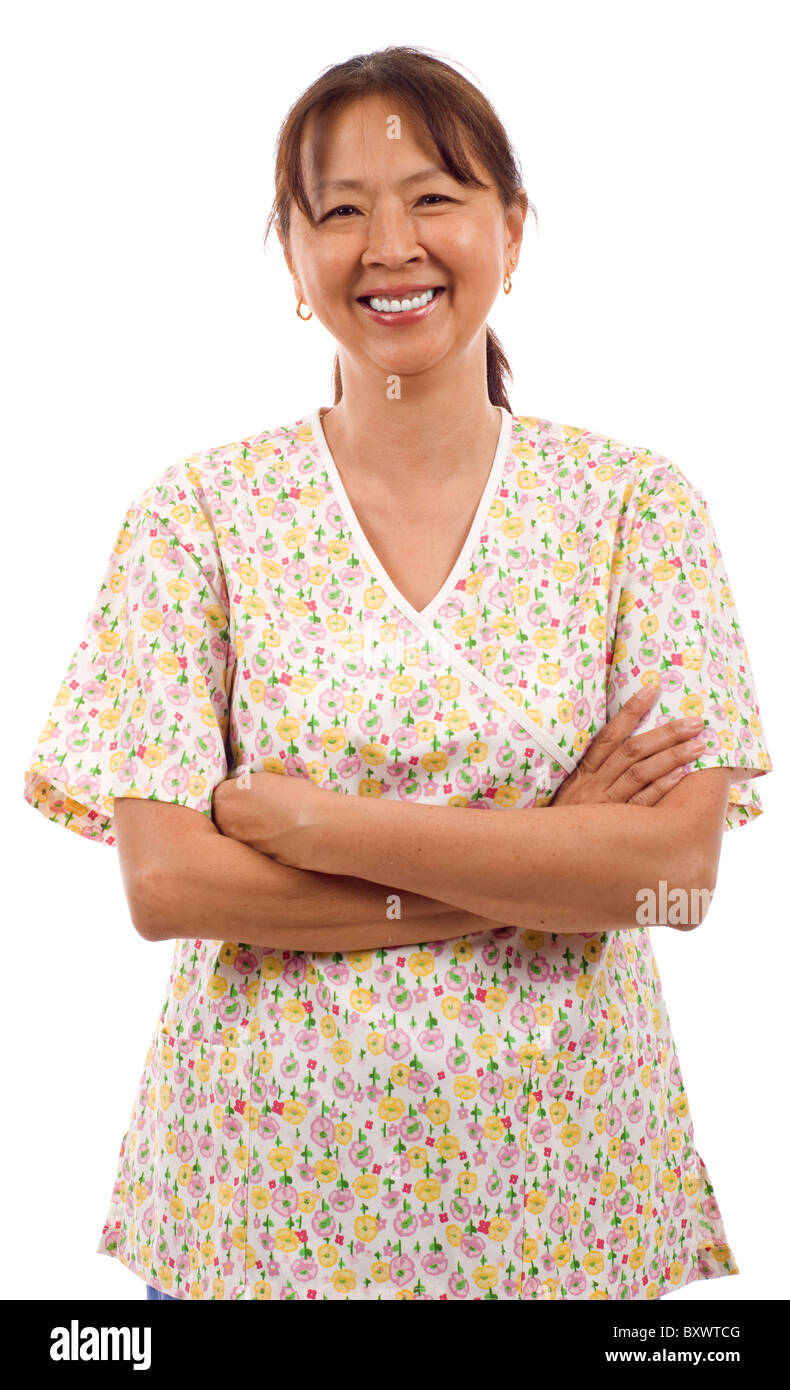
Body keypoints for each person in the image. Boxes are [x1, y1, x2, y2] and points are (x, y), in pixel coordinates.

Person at [23, 45, 772, 1303]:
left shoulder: (635, 508)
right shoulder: (198, 516)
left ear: (511, 231)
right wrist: (550, 858)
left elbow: (670, 884)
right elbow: (165, 885)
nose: (390, 244)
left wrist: (317, 826)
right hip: (255, 1223)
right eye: (340, 209)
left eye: (433, 196)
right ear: (293, 257)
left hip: (564, 1211)